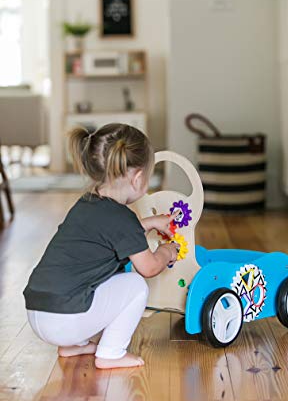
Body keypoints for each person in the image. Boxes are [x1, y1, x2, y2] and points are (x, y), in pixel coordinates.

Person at [23, 124, 179, 369]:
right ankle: (111, 353)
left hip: (38, 313)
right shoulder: (122, 218)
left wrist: (148, 223)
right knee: (135, 285)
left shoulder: (87, 204)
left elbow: (110, 234)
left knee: (92, 277)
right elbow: (148, 268)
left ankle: (73, 344)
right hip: (64, 319)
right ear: (138, 178)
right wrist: (166, 251)